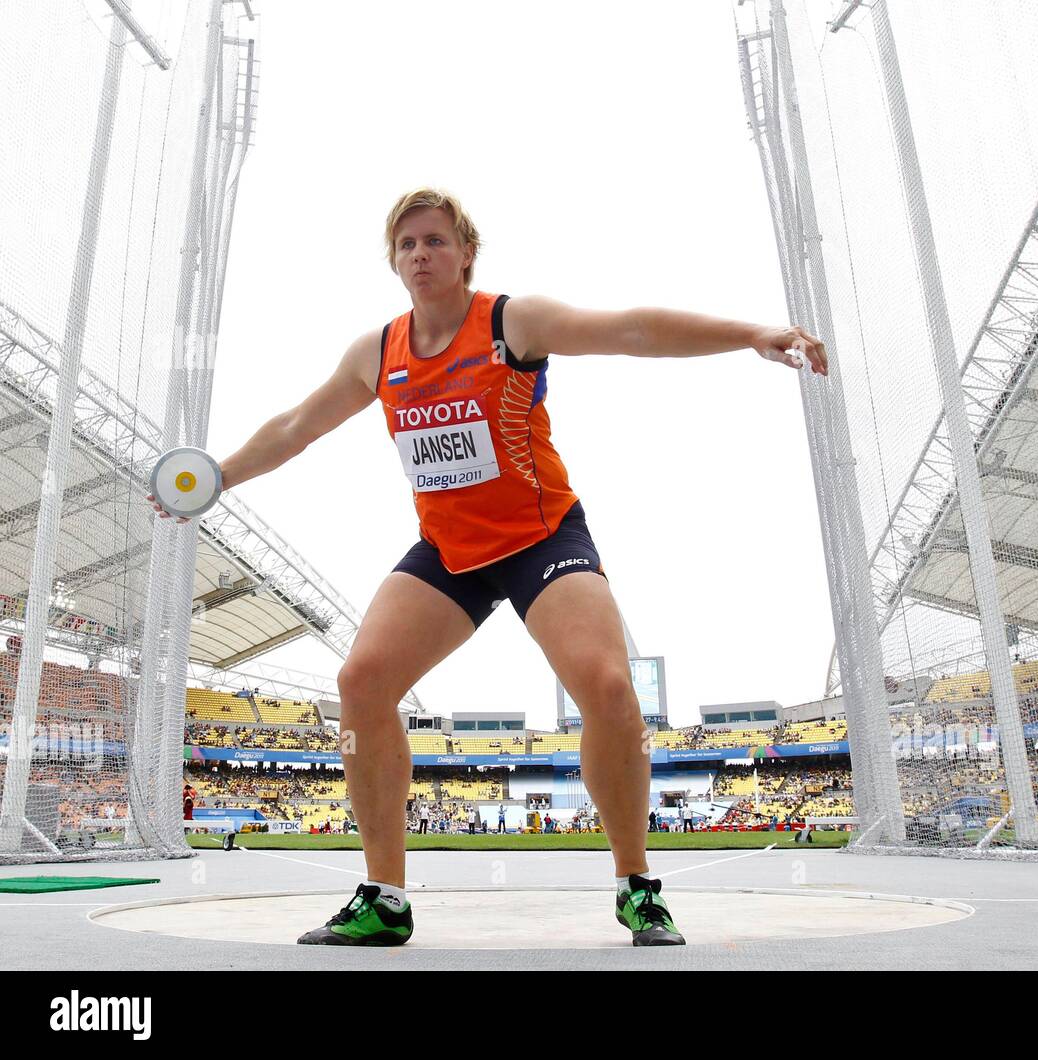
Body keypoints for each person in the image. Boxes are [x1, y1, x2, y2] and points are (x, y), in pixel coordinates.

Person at [148, 187, 824, 947]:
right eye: (406, 245)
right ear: (393, 262)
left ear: (466, 252)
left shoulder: (512, 323)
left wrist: (751, 333)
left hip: (541, 537)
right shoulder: (378, 352)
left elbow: (631, 328)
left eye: (435, 241)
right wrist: (219, 477)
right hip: (450, 552)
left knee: (607, 687)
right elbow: (298, 425)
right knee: (360, 682)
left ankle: (638, 886)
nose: (420, 255)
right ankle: (384, 898)